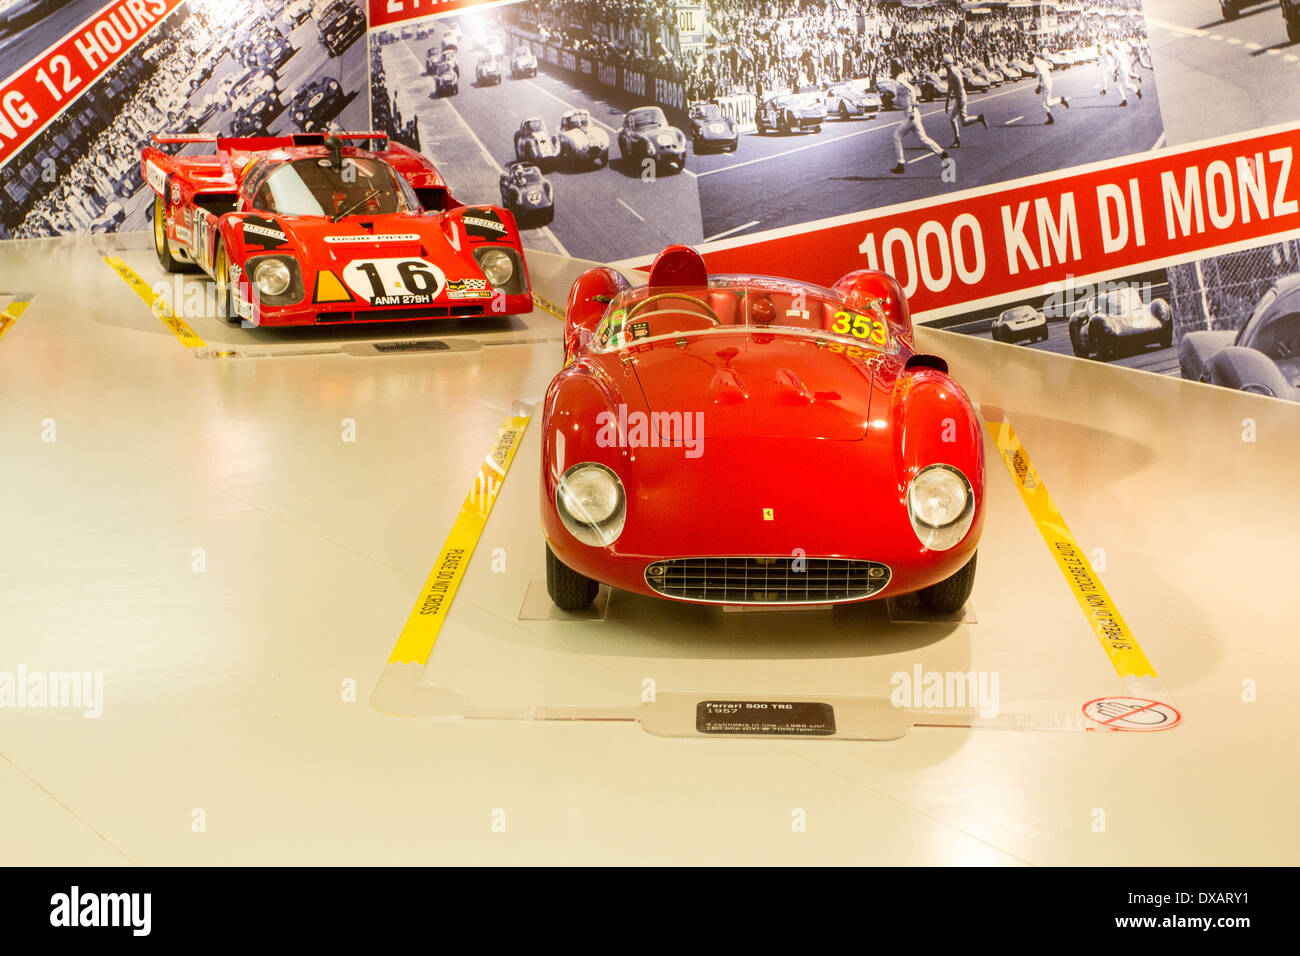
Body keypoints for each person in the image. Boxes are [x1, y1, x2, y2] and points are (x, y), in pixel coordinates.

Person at [890, 70, 949, 174]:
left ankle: (900, 164)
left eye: (892, 68)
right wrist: (890, 100)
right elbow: (901, 100)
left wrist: (912, 109)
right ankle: (942, 153)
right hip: (913, 114)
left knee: (896, 136)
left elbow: (912, 90)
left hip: (911, 115)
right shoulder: (898, 82)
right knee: (923, 139)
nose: (890, 71)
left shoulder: (899, 79)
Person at [942, 53, 987, 149]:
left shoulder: (954, 72)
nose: (944, 66)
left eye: (945, 64)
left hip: (960, 96)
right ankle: (979, 118)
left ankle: (957, 140)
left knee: (952, 119)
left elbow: (960, 85)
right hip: (960, 97)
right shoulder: (950, 72)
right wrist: (947, 102)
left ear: (948, 63)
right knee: (964, 122)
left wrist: (959, 100)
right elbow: (950, 86)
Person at [1033, 53, 1069, 125]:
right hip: (1047, 82)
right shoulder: (1042, 63)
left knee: (1045, 104)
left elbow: (1042, 75)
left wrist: (1039, 86)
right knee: (1046, 103)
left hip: (1045, 83)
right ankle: (1051, 118)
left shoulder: (1037, 63)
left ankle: (1059, 101)